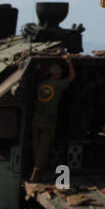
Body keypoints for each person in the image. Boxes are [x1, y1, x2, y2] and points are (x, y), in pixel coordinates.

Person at [28, 54, 75, 184]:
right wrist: (69, 62)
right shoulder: (57, 85)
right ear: (57, 74)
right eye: (60, 73)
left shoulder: (41, 84)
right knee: (44, 147)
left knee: (37, 146)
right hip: (48, 120)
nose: (61, 74)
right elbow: (72, 77)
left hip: (36, 118)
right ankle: (37, 172)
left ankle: (38, 171)